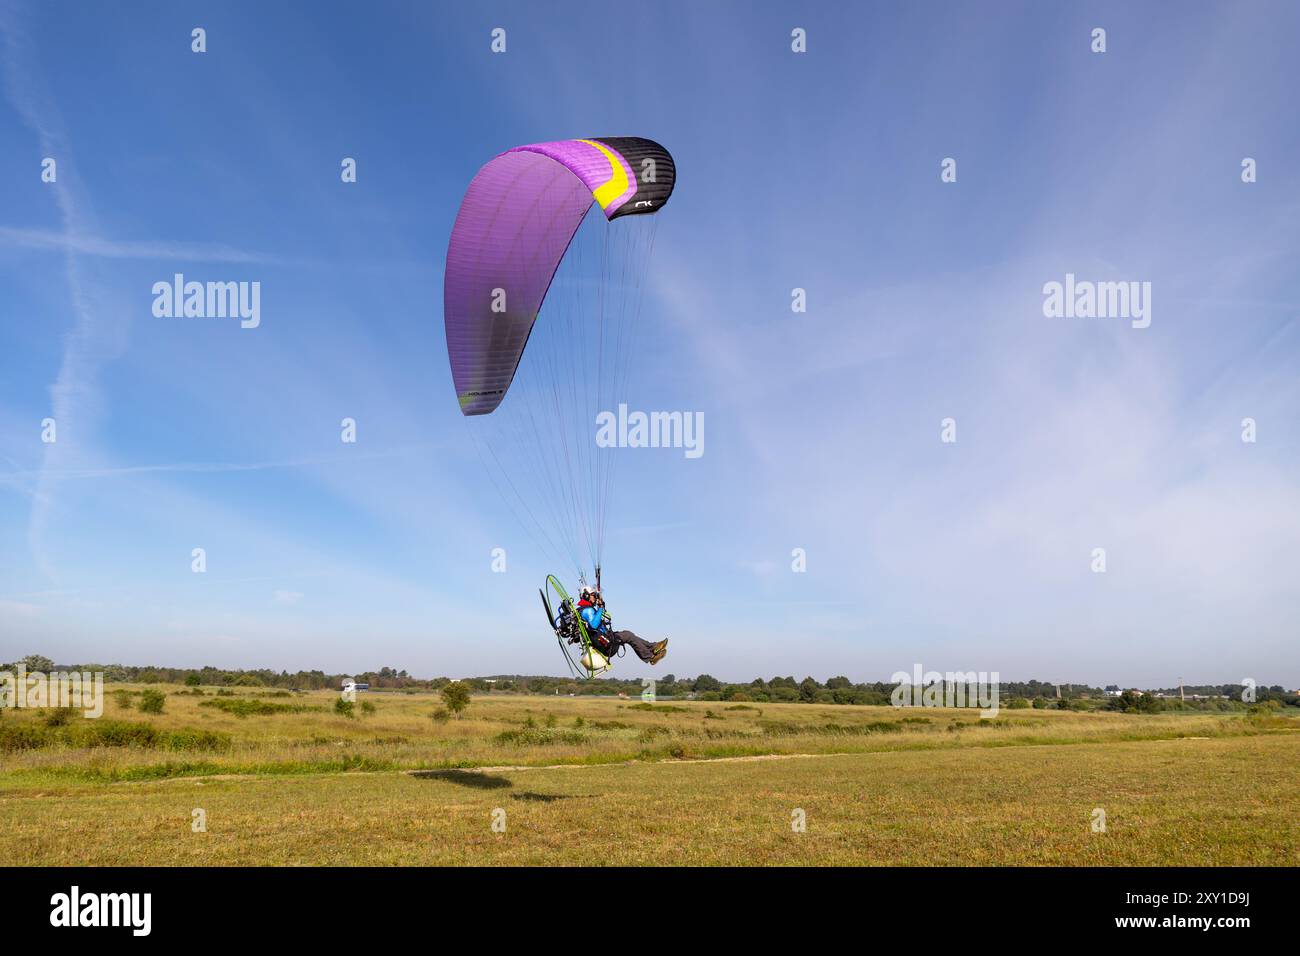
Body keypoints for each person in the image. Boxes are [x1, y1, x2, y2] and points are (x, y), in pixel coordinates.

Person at [570, 586, 668, 665]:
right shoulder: (587, 610)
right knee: (628, 636)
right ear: (586, 595)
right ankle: (650, 657)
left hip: (604, 640)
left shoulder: (585, 609)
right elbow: (594, 625)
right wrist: (599, 608)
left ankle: (654, 647)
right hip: (605, 644)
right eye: (593, 595)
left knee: (628, 634)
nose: (595, 597)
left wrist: (600, 606)